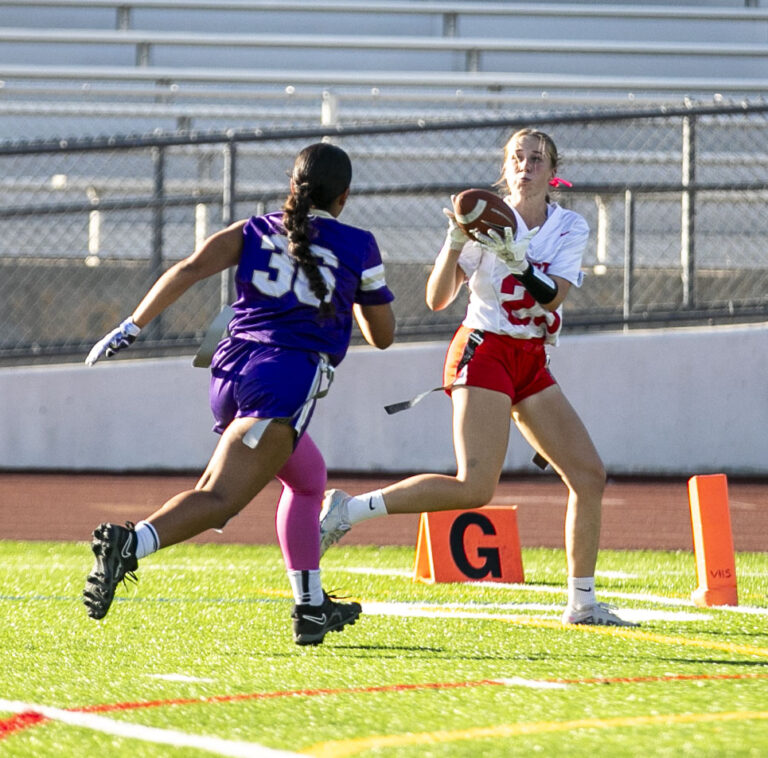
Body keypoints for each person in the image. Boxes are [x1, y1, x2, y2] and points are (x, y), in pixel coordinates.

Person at [319, 128, 636, 627]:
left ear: (553, 172)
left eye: (537, 159)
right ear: (505, 168)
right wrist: (453, 244)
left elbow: (553, 296)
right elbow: (437, 298)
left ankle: (582, 604)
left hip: (530, 357)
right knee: (474, 486)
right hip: (484, 349)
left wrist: (519, 263)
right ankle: (349, 510)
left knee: (588, 475)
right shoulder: (484, 218)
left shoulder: (569, 225)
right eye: (517, 158)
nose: (526, 166)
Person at [82, 142, 396, 645]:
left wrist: (131, 326)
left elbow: (189, 268)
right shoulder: (358, 244)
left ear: (292, 186)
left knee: (309, 480)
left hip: (230, 372)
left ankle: (311, 606)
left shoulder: (255, 228)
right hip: (283, 379)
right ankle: (130, 544)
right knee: (220, 499)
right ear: (344, 196)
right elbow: (382, 336)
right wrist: (351, 288)